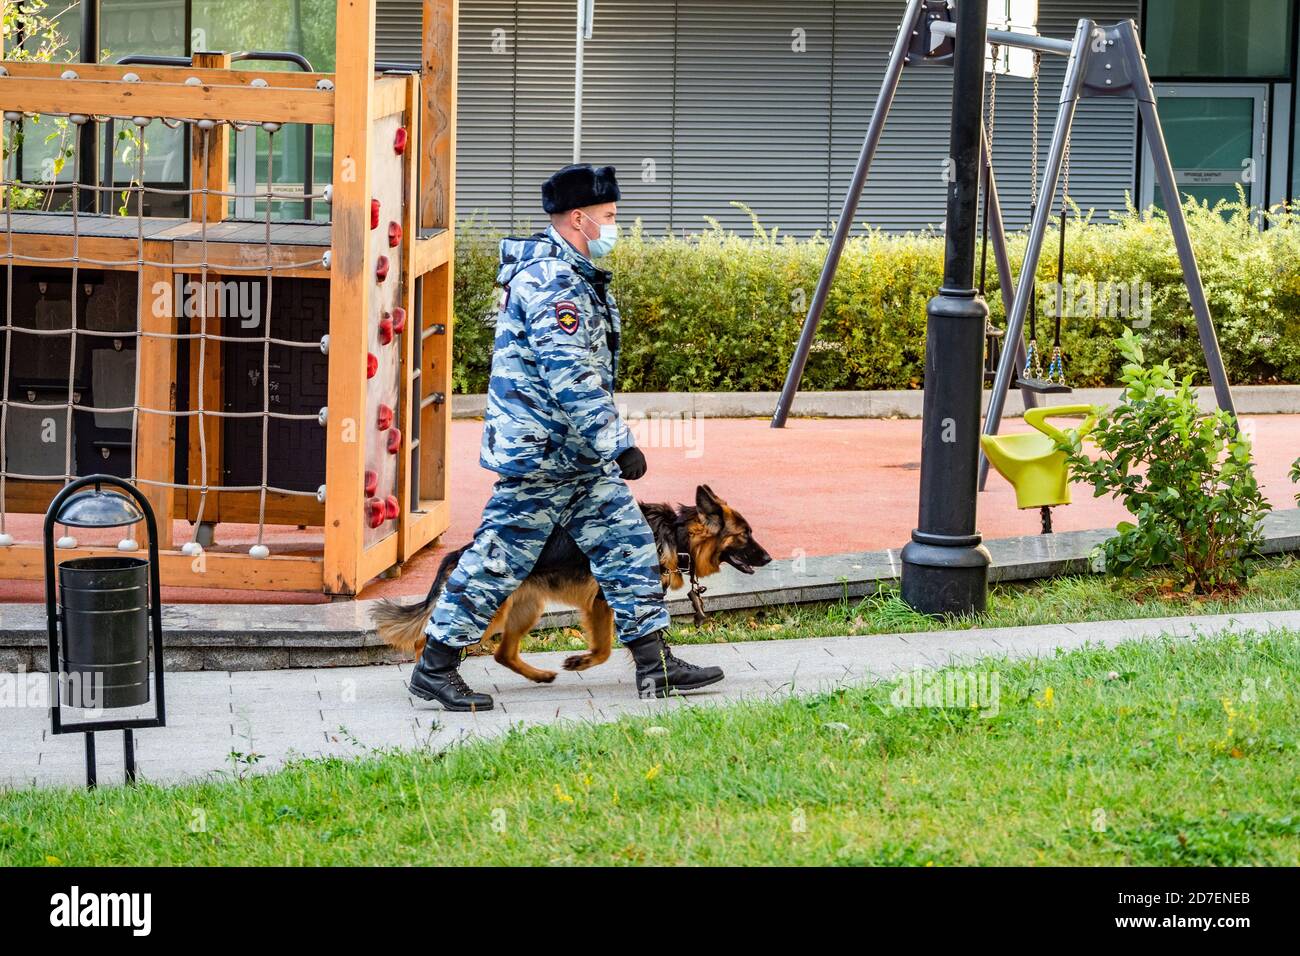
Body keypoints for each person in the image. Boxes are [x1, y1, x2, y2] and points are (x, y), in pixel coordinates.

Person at [408, 163, 724, 711]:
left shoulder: (571, 272)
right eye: (609, 217)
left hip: (573, 456)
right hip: (543, 456)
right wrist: (617, 441)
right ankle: (435, 667)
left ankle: (656, 666)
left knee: (627, 547)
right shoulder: (552, 280)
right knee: (496, 561)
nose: (615, 226)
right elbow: (569, 372)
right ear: (579, 218)